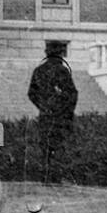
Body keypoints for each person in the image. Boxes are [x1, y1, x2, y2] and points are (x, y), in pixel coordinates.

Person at [27, 40, 78, 182]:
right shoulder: (62, 70)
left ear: (47, 53)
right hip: (60, 116)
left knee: (45, 147)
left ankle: (45, 178)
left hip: (45, 115)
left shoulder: (39, 70)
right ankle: (56, 178)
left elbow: (31, 93)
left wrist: (43, 106)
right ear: (60, 54)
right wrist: (66, 110)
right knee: (59, 147)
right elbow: (72, 94)